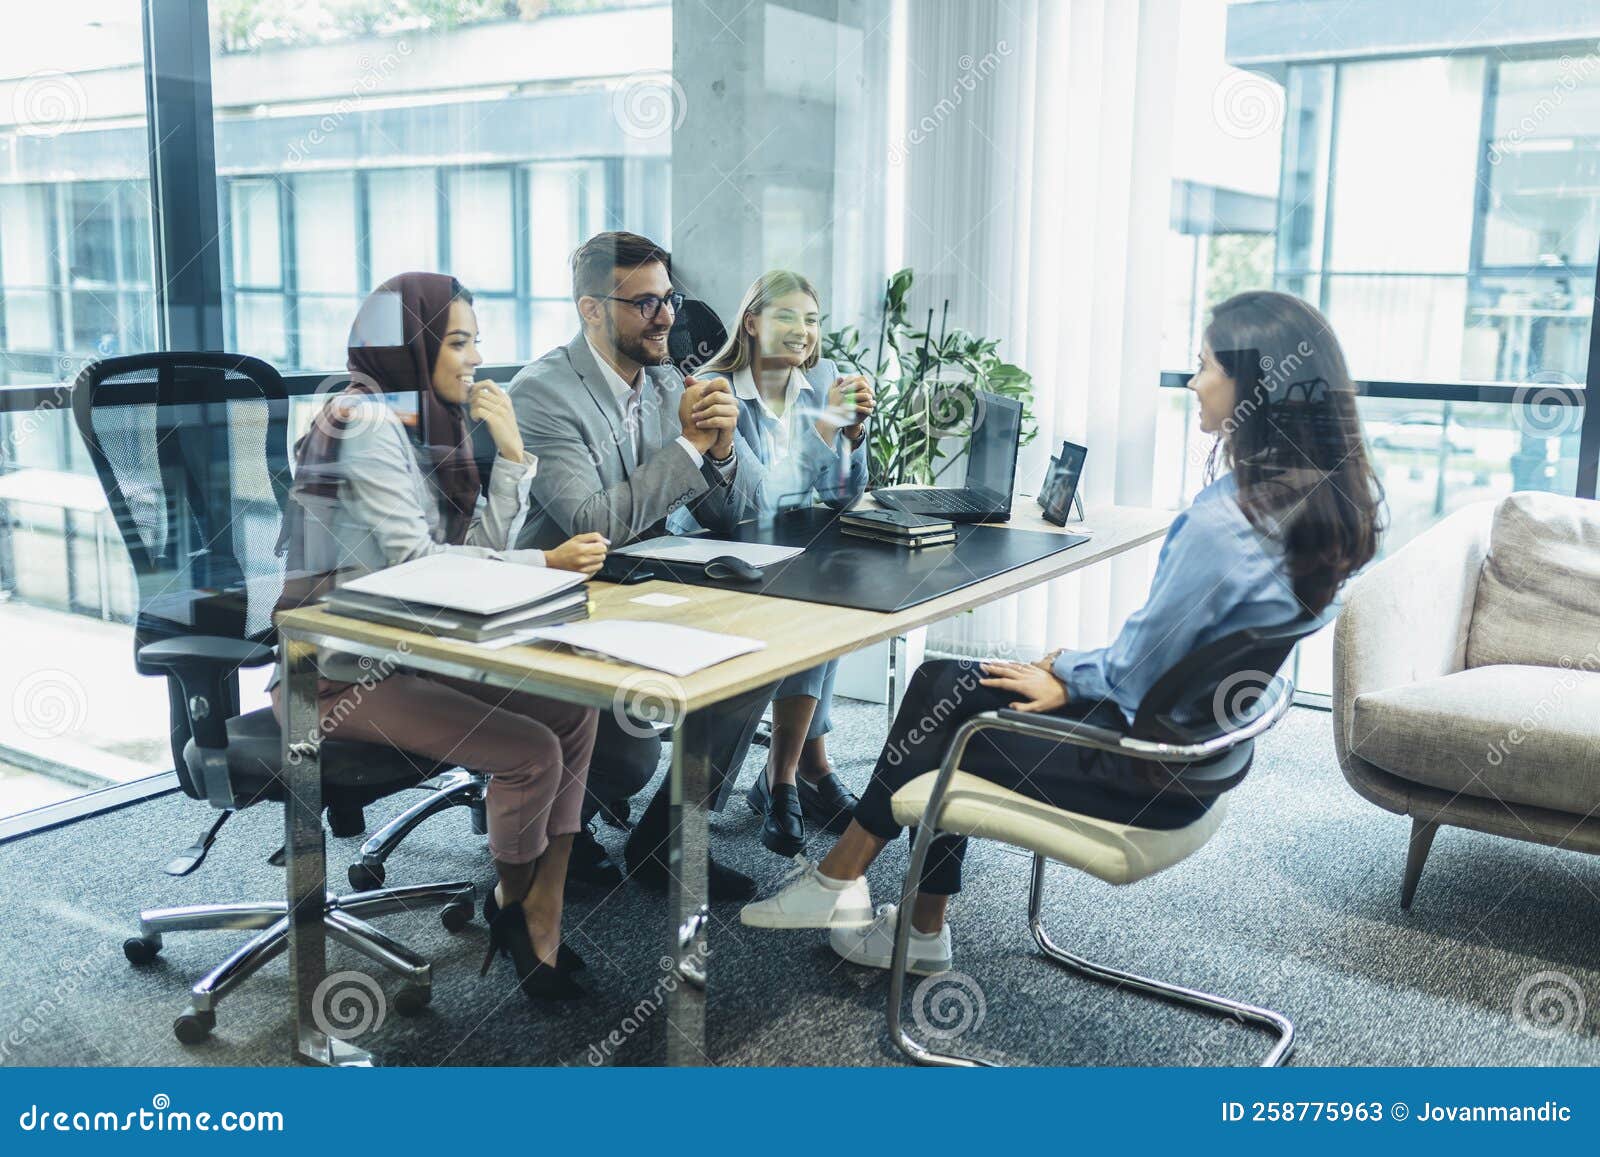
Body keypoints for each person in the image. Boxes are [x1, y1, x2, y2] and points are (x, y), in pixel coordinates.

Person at [738, 290, 1385, 974]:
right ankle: (898, 914)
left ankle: (848, 885)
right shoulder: (1329, 506)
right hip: (1195, 755)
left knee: (946, 709)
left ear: (1254, 385)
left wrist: (1066, 670)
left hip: (1139, 767)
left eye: (1204, 366)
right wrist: (1069, 672)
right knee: (946, 683)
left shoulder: (1223, 524)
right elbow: (1177, 658)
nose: (1193, 383)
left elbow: (1139, 666)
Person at [275, 272, 610, 1002]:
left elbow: (469, 561)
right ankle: (517, 909)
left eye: (476, 341)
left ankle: (536, 907)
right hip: (332, 676)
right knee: (531, 751)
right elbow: (421, 567)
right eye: (458, 342)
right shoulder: (365, 422)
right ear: (412, 345)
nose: (476, 359)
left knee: (574, 709)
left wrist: (512, 456)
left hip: (408, 650)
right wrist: (544, 563)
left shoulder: (420, 422)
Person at [507, 232, 773, 901]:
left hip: (641, 590)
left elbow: (747, 512)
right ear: (591, 309)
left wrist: (721, 449)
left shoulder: (668, 379)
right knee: (630, 754)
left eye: (669, 299)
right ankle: (545, 822)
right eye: (645, 303)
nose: (666, 317)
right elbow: (591, 522)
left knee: (761, 656)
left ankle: (667, 840)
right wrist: (688, 448)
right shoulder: (541, 394)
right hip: (558, 603)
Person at [692, 270, 874, 856]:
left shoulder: (819, 381)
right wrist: (824, 429)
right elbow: (752, 501)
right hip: (714, 552)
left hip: (786, 549)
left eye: (812, 319)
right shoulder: (714, 388)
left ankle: (797, 772)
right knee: (810, 601)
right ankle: (789, 776)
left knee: (836, 587)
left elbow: (844, 495)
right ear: (751, 322)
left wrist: (852, 437)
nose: (803, 331)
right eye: (787, 316)